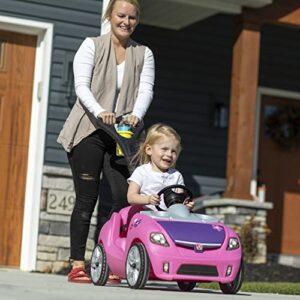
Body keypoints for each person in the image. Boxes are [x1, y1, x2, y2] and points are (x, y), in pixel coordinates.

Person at [57, 0, 155, 284]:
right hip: (89, 129)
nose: (126, 21)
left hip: (123, 135)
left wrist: (136, 115)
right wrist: (100, 111)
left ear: (137, 20)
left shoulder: (144, 53)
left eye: (132, 17)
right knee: (87, 198)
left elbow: (146, 89)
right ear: (110, 16)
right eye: (121, 15)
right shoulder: (91, 45)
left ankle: (111, 261)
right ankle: (78, 264)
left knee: (122, 197)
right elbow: (81, 86)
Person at [127, 123, 194, 210]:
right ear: (149, 150)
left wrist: (186, 206)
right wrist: (147, 199)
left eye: (174, 151)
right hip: (145, 216)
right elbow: (131, 197)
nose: (169, 154)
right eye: (164, 149)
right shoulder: (142, 172)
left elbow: (179, 201)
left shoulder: (176, 176)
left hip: (168, 218)